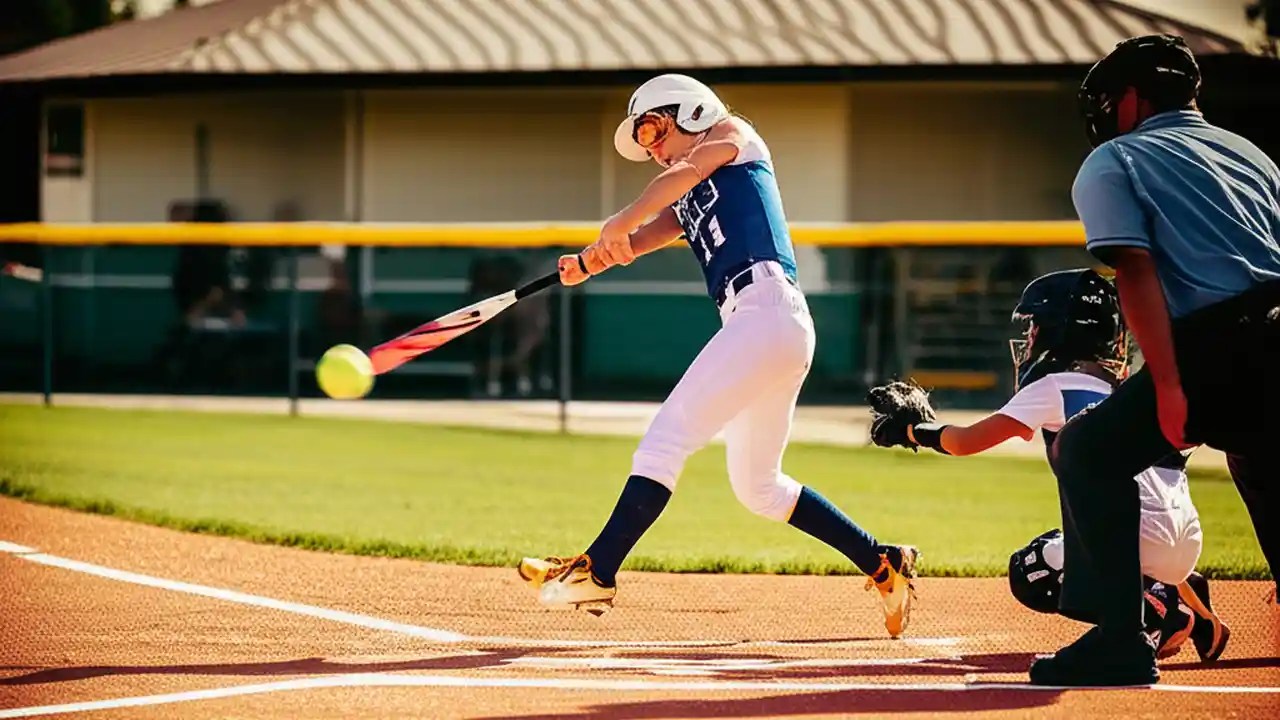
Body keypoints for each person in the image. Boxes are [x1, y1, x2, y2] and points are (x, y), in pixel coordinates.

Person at [516, 74, 919, 637]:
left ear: (692, 112)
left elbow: (675, 179)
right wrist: (590, 261)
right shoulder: (690, 188)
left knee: (665, 440)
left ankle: (598, 570)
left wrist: (619, 220)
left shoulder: (734, 134)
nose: (651, 148)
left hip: (766, 312)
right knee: (759, 487)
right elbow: (647, 234)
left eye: (654, 128)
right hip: (766, 324)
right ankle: (883, 562)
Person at [1032, 34, 1279, 686]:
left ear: (1134, 99)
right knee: (1257, 452)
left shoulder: (1116, 158)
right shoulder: (1248, 152)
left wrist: (1168, 383)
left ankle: (1121, 638)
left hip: (1220, 339)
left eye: (1112, 99)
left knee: (1088, 452)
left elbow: (1135, 269)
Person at [870, 269, 1230, 663]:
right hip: (1186, 544)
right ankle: (1185, 600)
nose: (1029, 339)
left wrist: (912, 431)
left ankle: (1163, 616)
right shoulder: (1131, 393)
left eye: (1036, 327)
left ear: (1062, 330)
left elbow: (965, 442)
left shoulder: (1056, 385)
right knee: (1118, 524)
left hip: (1142, 537)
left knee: (1032, 569)